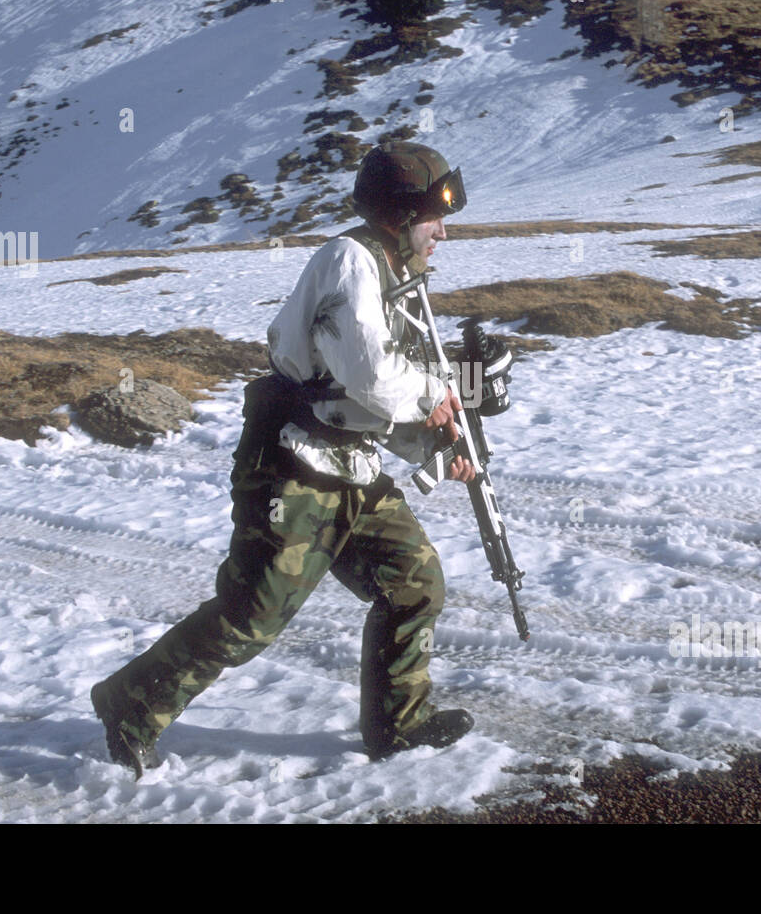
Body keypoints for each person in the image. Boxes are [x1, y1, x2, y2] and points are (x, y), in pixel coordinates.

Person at [90, 142, 478, 777]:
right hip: (293, 464)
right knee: (252, 617)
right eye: (434, 218)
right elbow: (372, 375)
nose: (443, 232)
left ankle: (398, 726)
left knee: (414, 583)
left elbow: (379, 401)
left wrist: (437, 442)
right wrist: (435, 398)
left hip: (351, 464)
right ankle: (129, 705)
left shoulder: (396, 275)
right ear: (398, 215)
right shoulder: (350, 261)